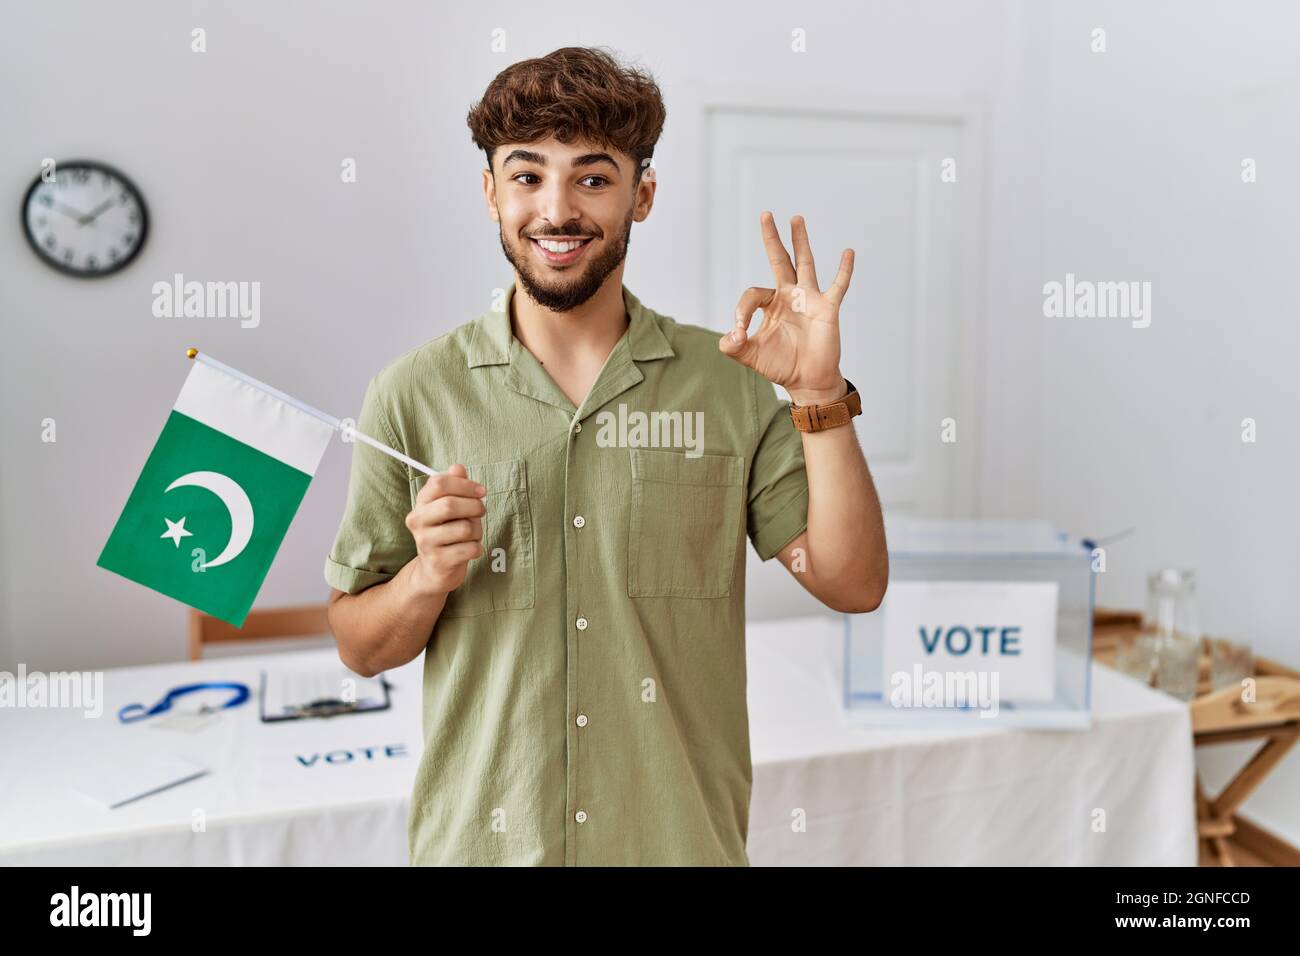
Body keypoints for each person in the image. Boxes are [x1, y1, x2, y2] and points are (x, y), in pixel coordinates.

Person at [324, 46, 887, 865]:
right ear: (491, 192)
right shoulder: (412, 393)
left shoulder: (728, 385)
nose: (556, 210)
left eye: (592, 177)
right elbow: (359, 646)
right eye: (526, 176)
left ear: (642, 194)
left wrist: (818, 397)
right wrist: (423, 579)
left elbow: (853, 583)